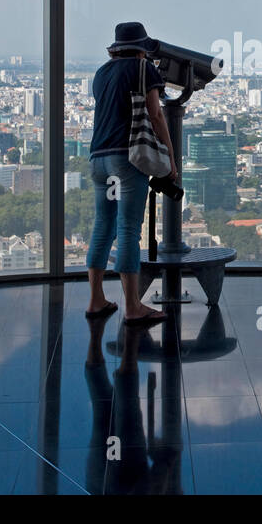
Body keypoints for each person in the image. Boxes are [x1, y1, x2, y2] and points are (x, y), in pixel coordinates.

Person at [85, 22, 178, 324]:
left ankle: (96, 299)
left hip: (98, 160)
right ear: (141, 48)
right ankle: (133, 306)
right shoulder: (143, 69)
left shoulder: (100, 74)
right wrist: (171, 159)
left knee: (103, 226)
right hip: (127, 159)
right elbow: (155, 113)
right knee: (127, 228)